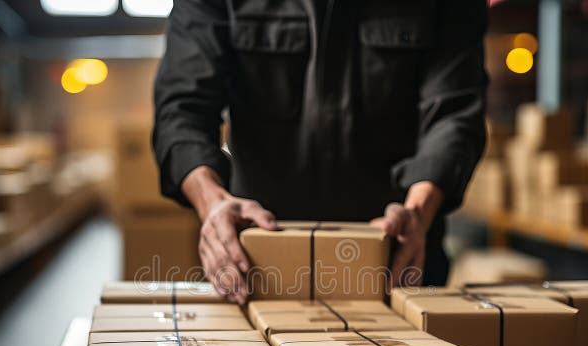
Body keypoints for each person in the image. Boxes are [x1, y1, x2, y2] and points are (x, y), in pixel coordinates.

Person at [153, 0, 488, 303]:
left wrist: (419, 210)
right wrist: (212, 203)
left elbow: (455, 113)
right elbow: (181, 110)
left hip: (397, 262)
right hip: (259, 267)